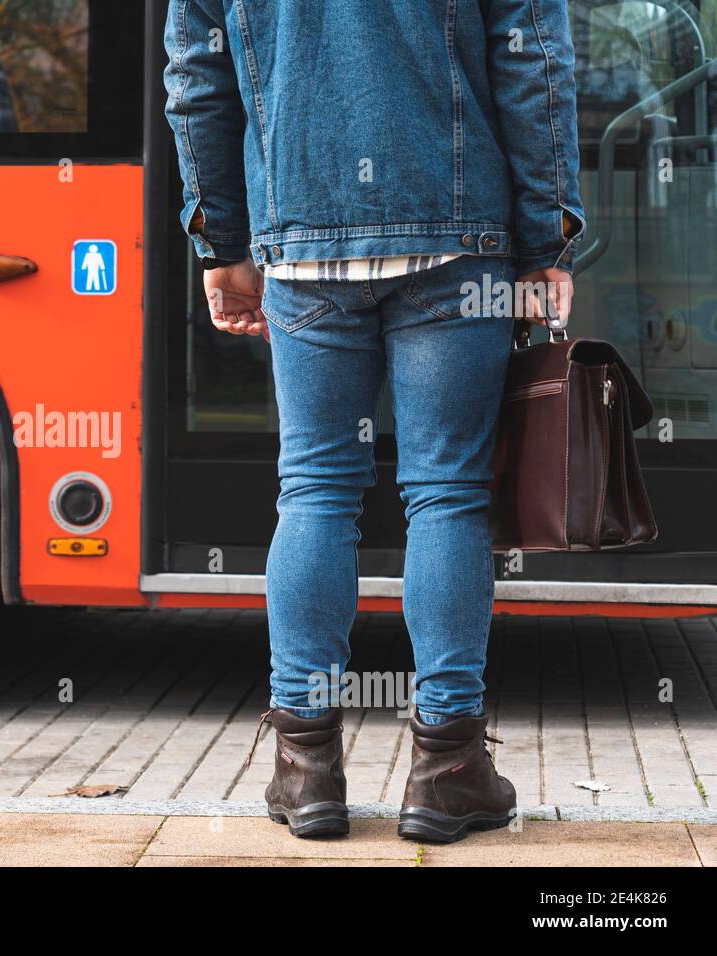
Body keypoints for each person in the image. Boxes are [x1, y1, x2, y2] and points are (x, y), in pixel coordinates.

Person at [164, 0, 584, 844]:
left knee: (315, 490)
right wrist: (546, 240)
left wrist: (223, 243)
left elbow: (195, 80)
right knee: (448, 494)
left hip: (301, 240)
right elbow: (536, 62)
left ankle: (306, 767)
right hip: (456, 239)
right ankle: (448, 771)